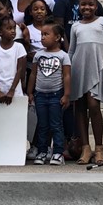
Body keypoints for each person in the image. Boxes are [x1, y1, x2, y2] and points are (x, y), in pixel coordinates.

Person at [68, 0, 103, 165]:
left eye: (90, 4)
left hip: (95, 69)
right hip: (78, 69)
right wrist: (68, 71)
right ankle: (85, 147)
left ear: (96, 6)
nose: (86, 7)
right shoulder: (76, 26)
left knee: (93, 106)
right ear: (78, 7)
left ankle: (99, 148)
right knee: (79, 108)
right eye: (83, 4)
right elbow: (71, 51)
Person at [28, 20, 71, 165]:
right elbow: (33, 74)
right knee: (42, 124)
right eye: (41, 34)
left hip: (56, 95)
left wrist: (66, 94)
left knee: (56, 124)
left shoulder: (63, 56)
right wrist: (30, 92)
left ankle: (58, 152)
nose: (42, 37)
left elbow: (66, 75)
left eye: (46, 34)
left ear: (57, 37)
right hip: (40, 94)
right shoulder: (38, 55)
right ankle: (42, 151)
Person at [0, 16, 27, 106]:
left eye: (14, 28)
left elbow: (20, 70)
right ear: (0, 32)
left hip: (15, 89)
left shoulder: (19, 47)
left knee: (15, 117)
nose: (13, 31)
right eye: (9, 28)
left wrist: (12, 90)